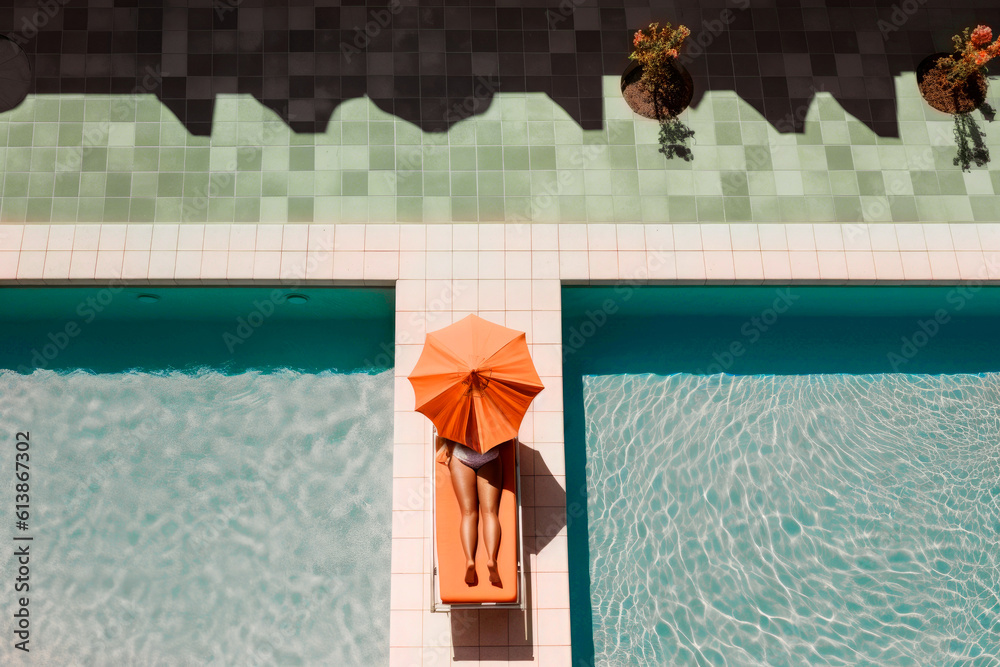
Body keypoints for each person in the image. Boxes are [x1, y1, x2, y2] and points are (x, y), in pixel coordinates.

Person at [438, 435, 505, 587]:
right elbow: (504, 436)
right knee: (490, 513)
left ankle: (470, 560)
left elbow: (445, 437)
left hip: (462, 456)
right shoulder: (493, 412)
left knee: (468, 513)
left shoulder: (455, 412)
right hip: (489, 455)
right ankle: (491, 558)